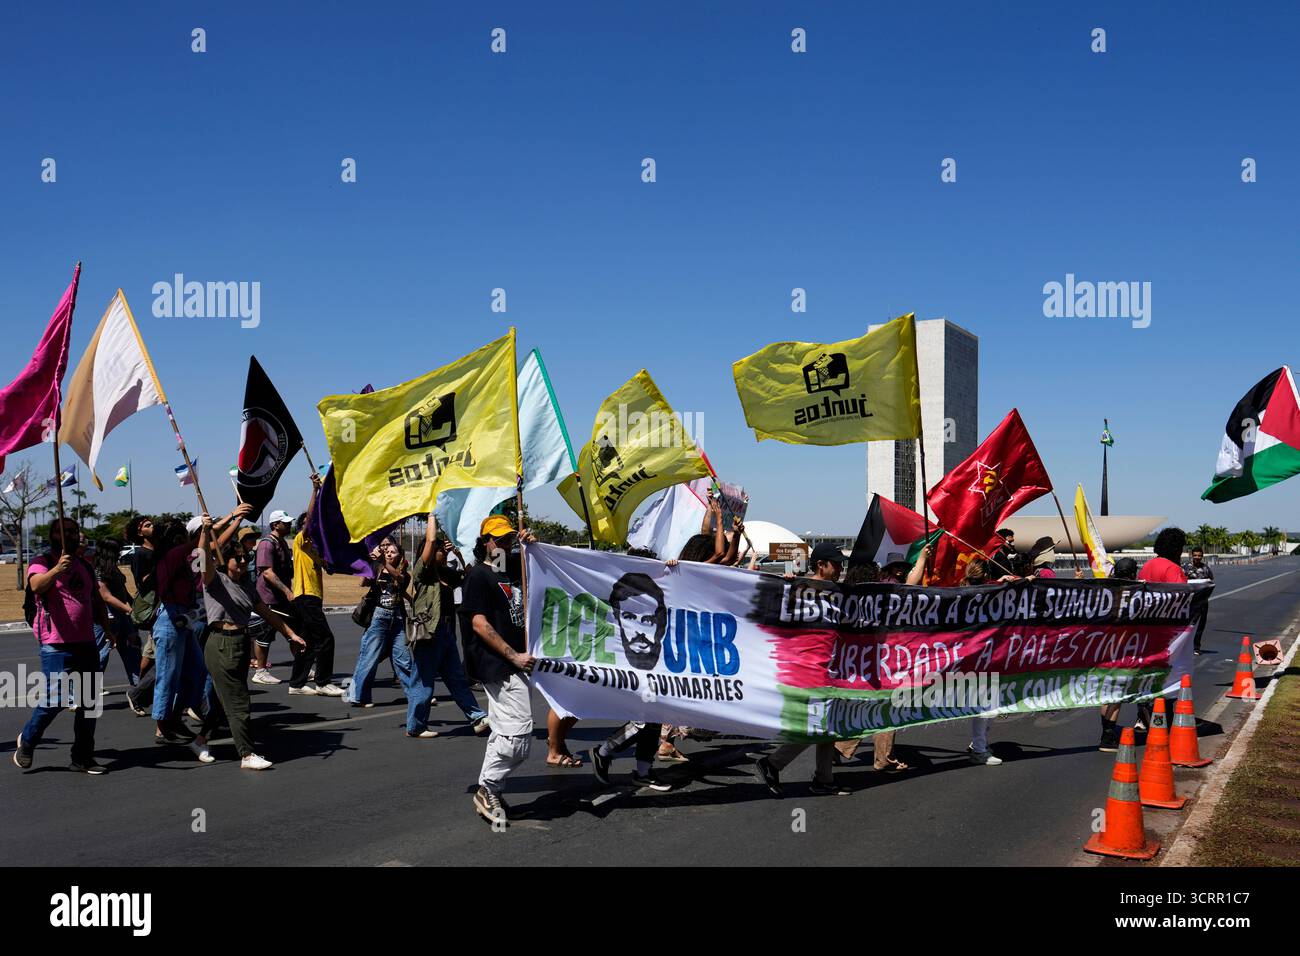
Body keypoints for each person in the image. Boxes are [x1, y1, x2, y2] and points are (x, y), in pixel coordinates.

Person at [193, 514, 306, 768]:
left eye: (246, 559)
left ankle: (200, 740)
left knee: (227, 700)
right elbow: (201, 557)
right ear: (226, 561)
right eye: (238, 559)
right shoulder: (214, 580)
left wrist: (291, 634)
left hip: (241, 643)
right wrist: (204, 531)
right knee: (239, 701)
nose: (244, 562)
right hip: (220, 644)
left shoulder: (246, 586)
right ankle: (246, 754)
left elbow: (268, 614)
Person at [753, 541, 853, 796]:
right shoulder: (800, 589)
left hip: (827, 667)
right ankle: (772, 763)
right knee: (818, 724)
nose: (840, 568)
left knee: (827, 725)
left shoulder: (835, 591)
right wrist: (786, 584)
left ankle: (824, 779)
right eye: (836, 564)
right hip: (806, 669)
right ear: (820, 565)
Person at [14, 517, 110, 774]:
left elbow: (96, 600)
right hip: (56, 643)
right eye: (63, 530)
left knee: (88, 702)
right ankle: (29, 740)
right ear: (53, 535)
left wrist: (108, 630)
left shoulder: (84, 566)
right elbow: (35, 585)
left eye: (73, 530)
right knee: (56, 699)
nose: (69, 534)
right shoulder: (42, 562)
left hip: (86, 642)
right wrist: (56, 570)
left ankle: (82, 757)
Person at [467, 515, 536, 825]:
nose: (505, 543)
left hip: (515, 661)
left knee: (503, 732)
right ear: (486, 542)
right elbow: (478, 623)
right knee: (519, 736)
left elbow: (537, 567)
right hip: (499, 663)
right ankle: (489, 786)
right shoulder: (479, 576)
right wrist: (513, 656)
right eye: (499, 538)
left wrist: (532, 545)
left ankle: (489, 790)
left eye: (509, 538)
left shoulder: (507, 568)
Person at [406, 513, 488, 736]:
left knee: (456, 678)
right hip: (429, 634)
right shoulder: (423, 573)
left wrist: (459, 554)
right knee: (423, 682)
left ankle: (477, 717)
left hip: (446, 633)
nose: (443, 550)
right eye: (441, 549)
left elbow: (469, 576)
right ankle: (416, 726)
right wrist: (432, 515)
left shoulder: (447, 574)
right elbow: (431, 541)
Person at [833, 558, 910, 772]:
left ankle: (839, 747)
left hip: (855, 663)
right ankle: (883, 758)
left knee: (866, 707)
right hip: (879, 660)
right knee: (886, 707)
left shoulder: (844, 598)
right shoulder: (883, 596)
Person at [345, 536, 420, 714]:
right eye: (386, 550)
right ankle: (358, 696)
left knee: (403, 659)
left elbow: (400, 579)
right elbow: (362, 582)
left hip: (397, 619)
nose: (388, 552)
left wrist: (383, 564)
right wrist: (369, 563)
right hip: (379, 617)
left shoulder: (404, 574)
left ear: (400, 557)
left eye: (392, 551)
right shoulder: (377, 566)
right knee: (369, 657)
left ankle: (416, 695)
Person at [151, 517, 208, 744]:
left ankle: (174, 717)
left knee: (197, 671)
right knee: (168, 675)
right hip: (170, 619)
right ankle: (162, 726)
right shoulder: (171, 555)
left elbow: (203, 552)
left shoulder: (184, 556)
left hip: (184, 618)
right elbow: (198, 547)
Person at [288, 476, 345, 696]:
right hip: (305, 596)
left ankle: (297, 684)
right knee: (326, 638)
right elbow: (311, 518)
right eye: (308, 525)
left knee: (308, 641)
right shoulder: (300, 542)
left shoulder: (314, 548)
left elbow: (329, 567)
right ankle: (322, 681)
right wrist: (315, 492)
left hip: (314, 597)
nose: (312, 526)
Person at [1098, 556, 1148, 748]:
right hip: (1122, 650)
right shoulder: (1134, 594)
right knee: (1116, 695)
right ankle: (1108, 736)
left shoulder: (1107, 591)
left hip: (1103, 648)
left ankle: (1107, 729)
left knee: (1106, 693)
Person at [959, 558, 1003, 766]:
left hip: (977, 656)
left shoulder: (959, 594)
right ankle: (978, 748)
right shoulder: (986, 596)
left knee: (989, 704)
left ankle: (980, 743)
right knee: (985, 705)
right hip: (977, 658)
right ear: (986, 577)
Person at [251, 509, 296, 685]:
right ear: (275, 525)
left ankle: (302, 667)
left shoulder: (282, 542)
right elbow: (267, 573)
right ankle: (260, 671)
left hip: (281, 599)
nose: (289, 524)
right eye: (285, 522)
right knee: (265, 636)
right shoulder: (266, 544)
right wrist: (287, 592)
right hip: (268, 599)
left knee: (293, 632)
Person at [90, 539, 142, 686]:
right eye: (117, 550)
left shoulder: (113, 568)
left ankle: (139, 689)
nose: (120, 553)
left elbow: (122, 591)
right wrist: (130, 610)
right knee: (101, 655)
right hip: (106, 618)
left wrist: (134, 605)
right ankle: (85, 693)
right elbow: (106, 596)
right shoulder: (98, 571)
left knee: (132, 652)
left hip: (122, 616)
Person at [124, 515, 159, 716]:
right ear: (139, 533)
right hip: (153, 607)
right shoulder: (140, 554)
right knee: (158, 654)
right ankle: (139, 691)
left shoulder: (160, 550)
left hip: (165, 605)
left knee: (151, 652)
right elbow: (141, 582)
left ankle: (140, 688)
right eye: (147, 525)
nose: (152, 526)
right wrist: (161, 568)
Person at [1183, 546, 1214, 655]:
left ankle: (1196, 647)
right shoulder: (1185, 567)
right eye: (1195, 555)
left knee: (1201, 625)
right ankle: (1184, 647)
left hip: (1203, 601)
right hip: (1189, 601)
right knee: (1188, 625)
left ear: (1202, 556)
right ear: (1192, 555)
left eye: (1199, 555)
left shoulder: (1206, 568)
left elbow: (1210, 580)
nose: (1197, 557)